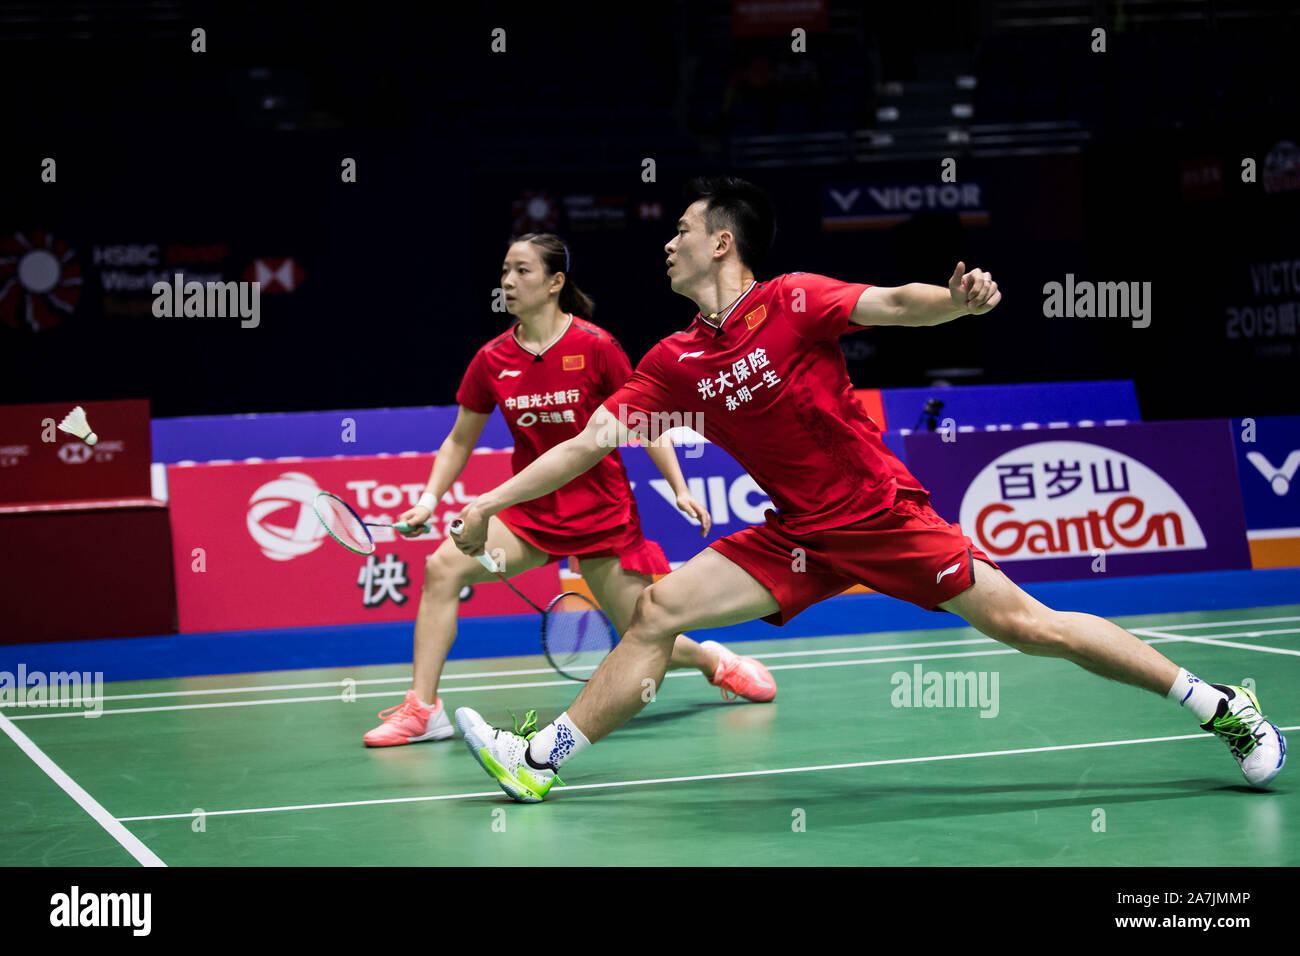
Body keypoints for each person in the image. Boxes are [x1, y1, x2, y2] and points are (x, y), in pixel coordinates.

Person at [450, 177, 1286, 801]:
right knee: (657, 612)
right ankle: (540, 761)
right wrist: (489, 502)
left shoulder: (794, 300)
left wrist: (955, 307)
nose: (665, 244)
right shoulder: (676, 364)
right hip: (797, 533)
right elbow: (592, 440)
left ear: (720, 244)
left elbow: (893, 303)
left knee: (1031, 627)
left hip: (881, 515)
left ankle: (1215, 701)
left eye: (680, 230)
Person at [362, 232, 776, 747]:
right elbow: (458, 441)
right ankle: (424, 709)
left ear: (556, 282)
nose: (508, 282)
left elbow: (646, 419)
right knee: (442, 567)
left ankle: (713, 658)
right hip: (530, 516)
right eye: (505, 271)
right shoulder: (491, 359)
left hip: (602, 514)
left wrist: (680, 487)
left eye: (523, 271)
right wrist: (427, 498)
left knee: (643, 634)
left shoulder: (596, 346)